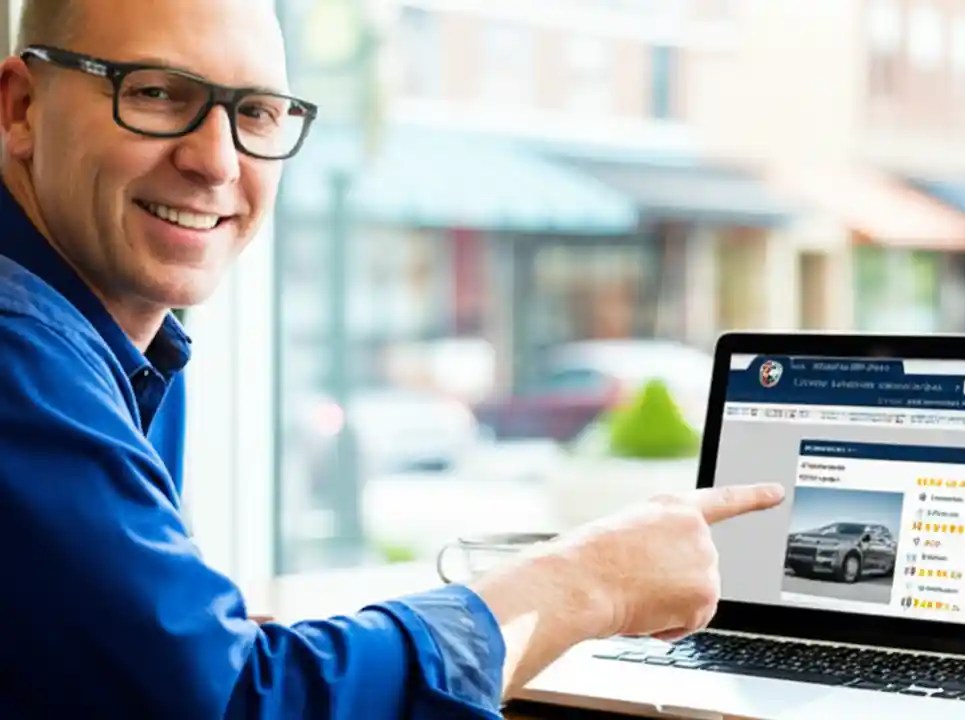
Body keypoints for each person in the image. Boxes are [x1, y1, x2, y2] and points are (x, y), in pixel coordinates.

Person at [0, 0, 785, 716]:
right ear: (22, 108)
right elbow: (235, 703)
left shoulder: (123, 349)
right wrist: (587, 584)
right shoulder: (21, 359)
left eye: (258, 112)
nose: (216, 161)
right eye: (157, 93)